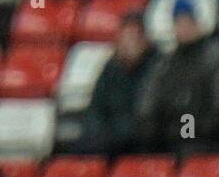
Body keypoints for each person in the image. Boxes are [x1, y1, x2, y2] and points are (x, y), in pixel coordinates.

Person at [138, 0, 219, 154]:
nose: (183, 27)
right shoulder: (166, 65)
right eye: (178, 22)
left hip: (210, 147)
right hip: (169, 146)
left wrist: (186, 129)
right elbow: (150, 105)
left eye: (188, 21)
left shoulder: (218, 60)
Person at [67, 12, 157, 156]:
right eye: (124, 37)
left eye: (132, 38)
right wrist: (98, 133)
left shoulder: (157, 67)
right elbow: (96, 107)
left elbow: (150, 114)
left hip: (142, 142)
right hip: (110, 138)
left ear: (144, 40)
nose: (127, 44)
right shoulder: (112, 67)